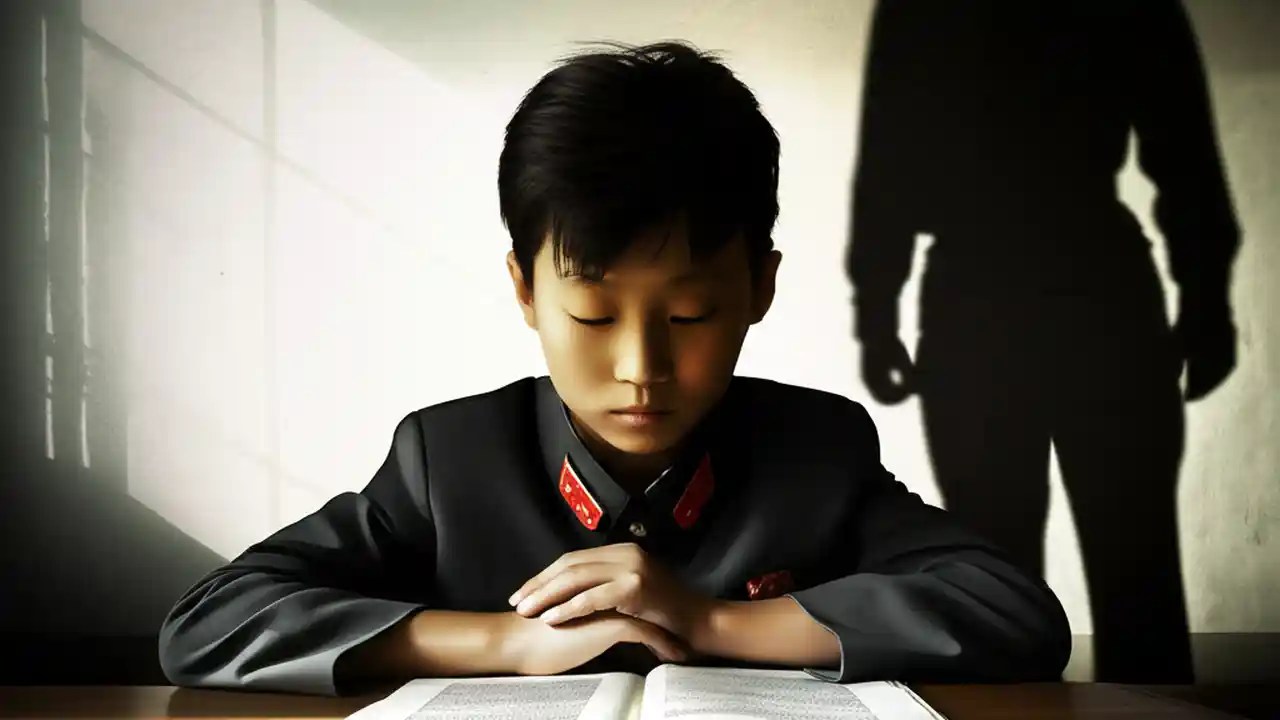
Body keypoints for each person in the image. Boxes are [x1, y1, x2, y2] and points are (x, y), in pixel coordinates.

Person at [158, 40, 1071, 696]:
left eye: (690, 314)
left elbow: (1018, 616)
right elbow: (210, 624)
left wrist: (707, 623)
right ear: (524, 291)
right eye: (592, 314)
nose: (643, 366)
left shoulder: (816, 448)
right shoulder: (451, 456)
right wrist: (506, 645)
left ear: (761, 286)